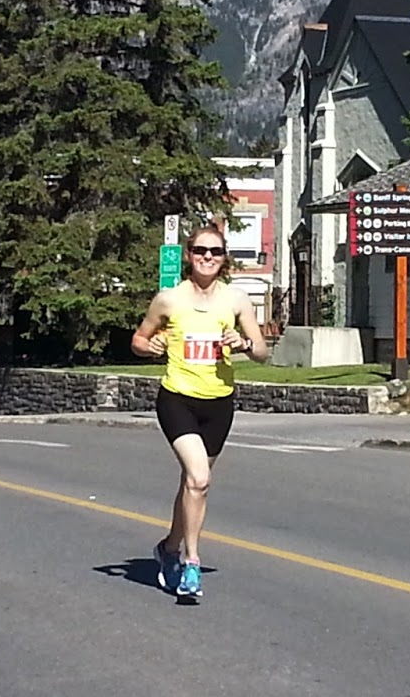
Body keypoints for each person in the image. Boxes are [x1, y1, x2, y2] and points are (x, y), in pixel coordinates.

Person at [130, 225, 268, 601]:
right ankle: (191, 562)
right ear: (189, 255)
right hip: (178, 397)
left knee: (194, 485)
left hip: (219, 402)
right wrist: (152, 344)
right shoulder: (169, 300)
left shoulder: (237, 300)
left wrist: (243, 343)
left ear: (224, 259)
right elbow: (139, 340)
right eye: (201, 250)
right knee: (199, 477)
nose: (208, 257)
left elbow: (262, 350)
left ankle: (168, 548)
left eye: (216, 252)